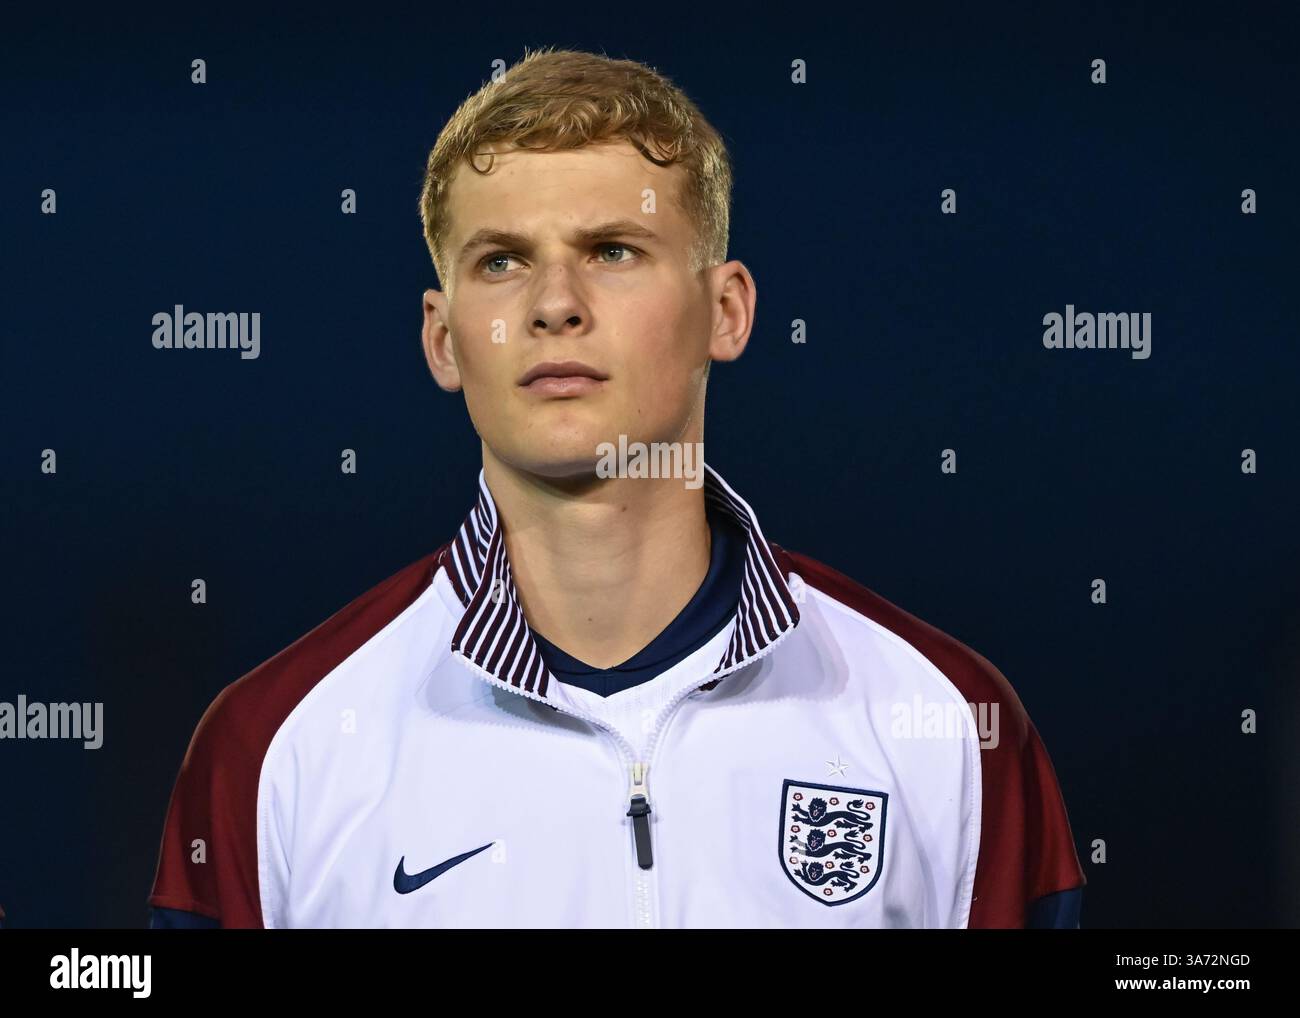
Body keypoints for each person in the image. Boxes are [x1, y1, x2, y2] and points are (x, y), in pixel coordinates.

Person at [148, 46, 1085, 929]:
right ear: (443, 337)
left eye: (612, 250)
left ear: (727, 310)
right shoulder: (272, 748)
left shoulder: (948, 721)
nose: (555, 304)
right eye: (502, 261)